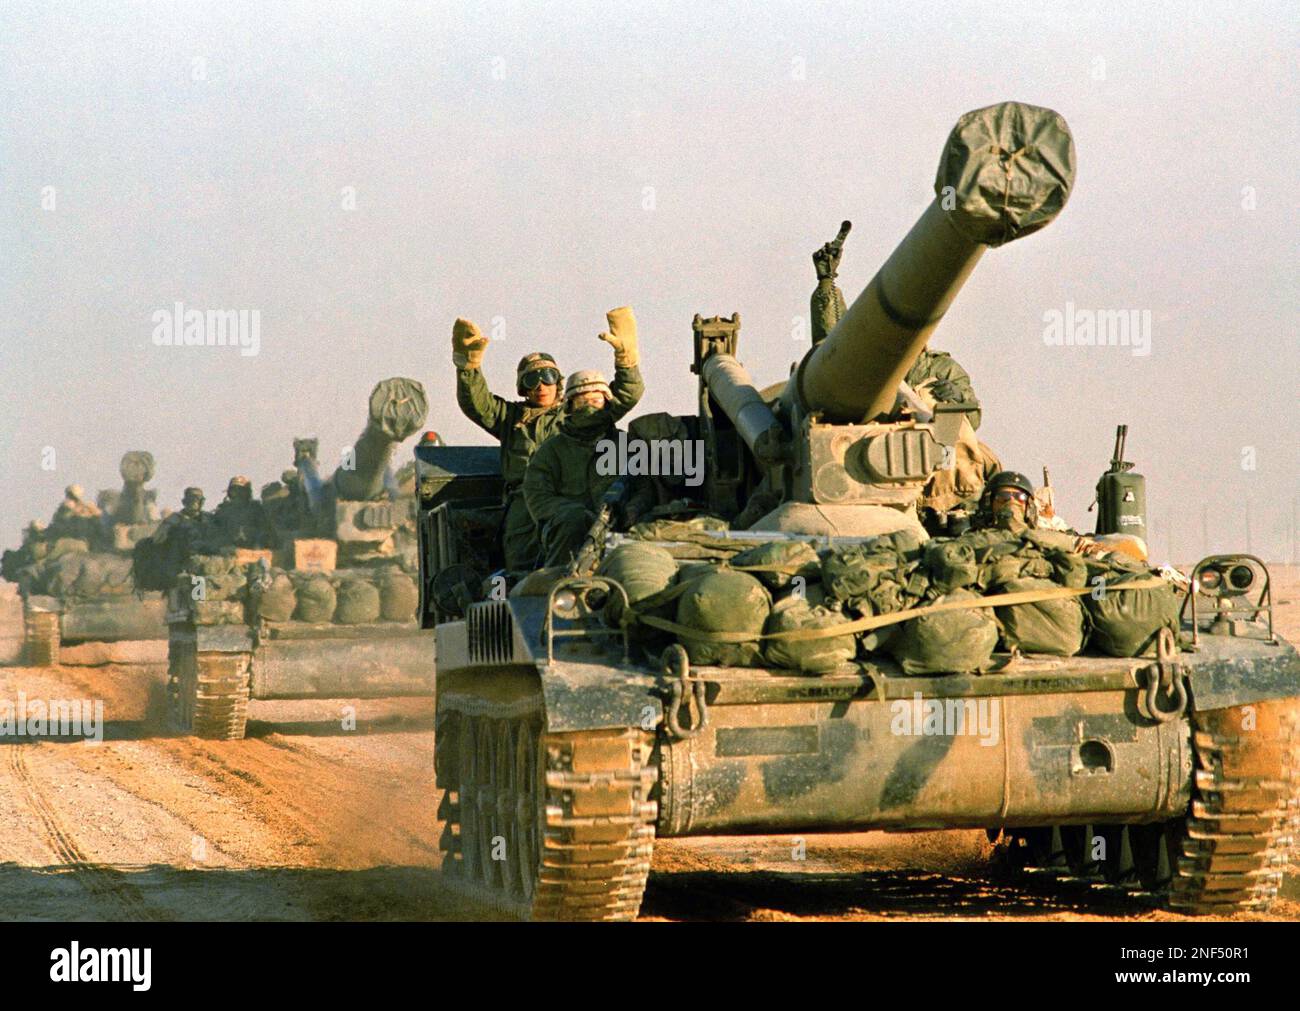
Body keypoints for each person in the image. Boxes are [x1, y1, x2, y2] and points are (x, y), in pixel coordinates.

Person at [453, 307, 644, 568]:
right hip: (526, 503)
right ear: (522, 387)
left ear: (559, 383)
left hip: (577, 496)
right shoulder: (510, 418)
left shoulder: (577, 413)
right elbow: (477, 404)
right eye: (532, 379)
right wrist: (468, 366)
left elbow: (623, 396)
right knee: (522, 567)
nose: (541, 385)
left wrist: (626, 358)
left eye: (548, 377)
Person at [523, 369, 638, 567]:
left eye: (596, 401)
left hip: (619, 529)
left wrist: (631, 510)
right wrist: (575, 513)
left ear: (607, 404)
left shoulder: (626, 444)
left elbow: (645, 486)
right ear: (570, 406)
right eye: (582, 402)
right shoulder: (552, 450)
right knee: (572, 524)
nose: (589, 408)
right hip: (568, 533)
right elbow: (537, 497)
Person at [212, 476, 270, 548]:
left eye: (241, 490)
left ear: (247, 492)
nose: (237, 493)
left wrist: (258, 544)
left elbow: (264, 529)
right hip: (229, 549)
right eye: (234, 490)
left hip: (254, 549)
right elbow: (215, 531)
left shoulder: (256, 509)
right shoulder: (223, 510)